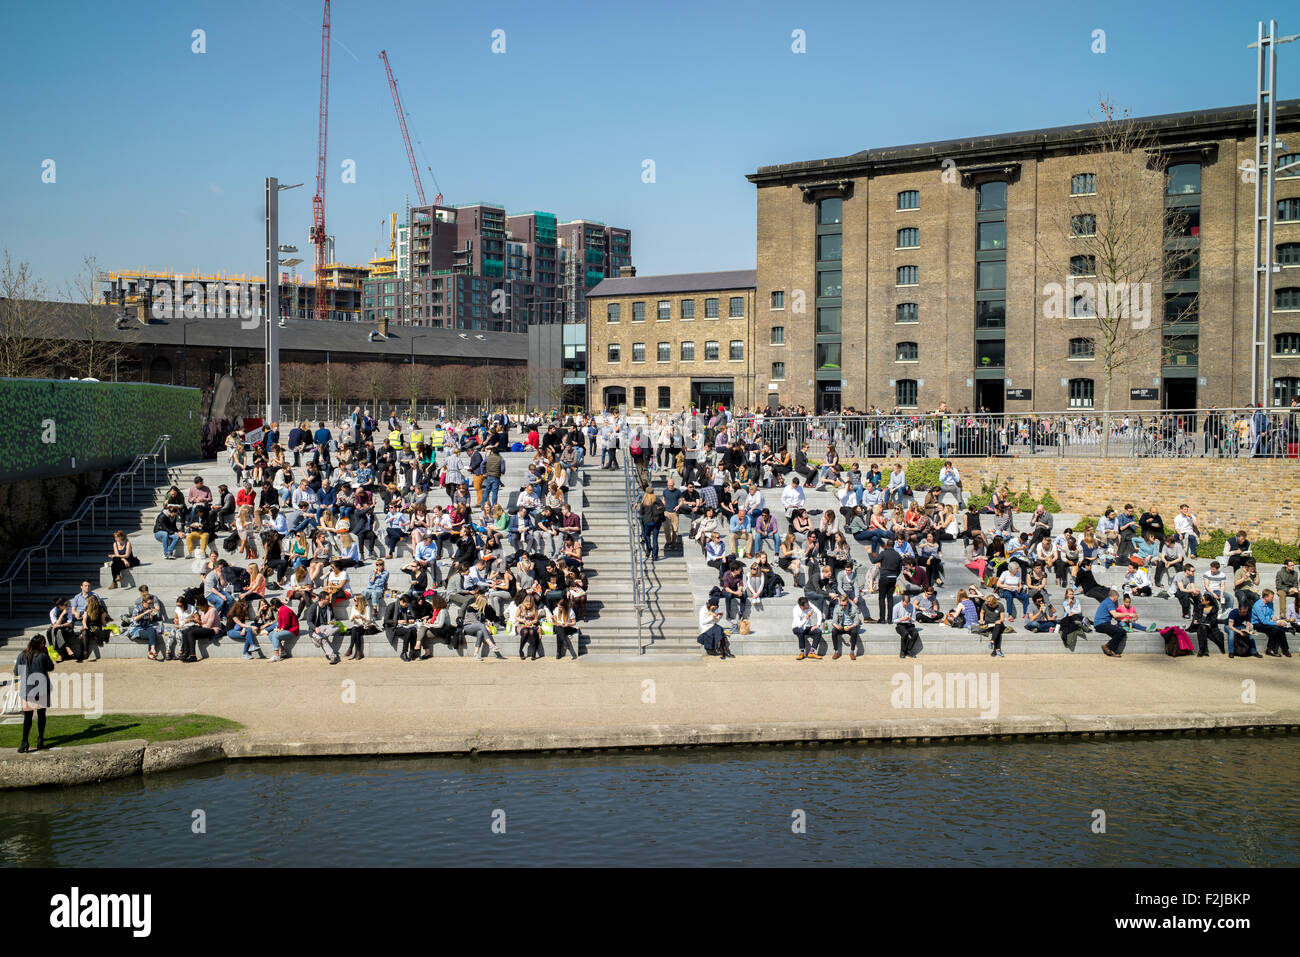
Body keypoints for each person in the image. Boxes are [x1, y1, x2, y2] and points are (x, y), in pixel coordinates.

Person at [12, 635, 55, 753]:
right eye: (44, 643)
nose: (45, 645)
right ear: (40, 644)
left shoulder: (22, 655)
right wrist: (46, 655)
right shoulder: (42, 656)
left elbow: (17, 672)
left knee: (27, 717)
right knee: (41, 715)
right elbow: (51, 667)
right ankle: (40, 739)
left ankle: (24, 741)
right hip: (41, 688)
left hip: (27, 689)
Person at [1252, 589, 1292, 657]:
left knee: (1281, 629)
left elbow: (1271, 612)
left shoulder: (1270, 603)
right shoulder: (1258, 605)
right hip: (1257, 624)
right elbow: (1263, 621)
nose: (1273, 599)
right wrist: (1276, 623)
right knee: (1275, 628)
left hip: (1267, 622)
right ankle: (1270, 649)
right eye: (1271, 597)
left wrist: (1272, 616)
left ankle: (1285, 650)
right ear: (1265, 597)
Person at [1093, 589, 1128, 658]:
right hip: (1101, 624)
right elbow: (1115, 615)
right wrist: (1128, 614)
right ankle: (1108, 647)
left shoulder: (1106, 601)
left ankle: (1111, 649)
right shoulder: (1109, 602)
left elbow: (1116, 617)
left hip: (1100, 624)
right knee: (1121, 631)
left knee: (1119, 632)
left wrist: (1125, 619)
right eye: (1117, 598)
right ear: (1115, 596)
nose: (1116, 600)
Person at [828, 592, 862, 660]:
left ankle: (852, 652)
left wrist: (850, 627)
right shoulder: (837, 607)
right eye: (842, 605)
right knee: (834, 630)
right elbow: (834, 621)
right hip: (841, 626)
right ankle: (836, 651)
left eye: (845, 605)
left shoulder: (853, 608)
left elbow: (857, 621)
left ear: (848, 602)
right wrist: (836, 626)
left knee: (854, 632)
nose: (843, 607)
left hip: (850, 626)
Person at [791, 596, 823, 660]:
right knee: (801, 631)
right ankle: (802, 653)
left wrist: (818, 625)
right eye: (806, 605)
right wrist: (807, 616)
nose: (808, 605)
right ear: (802, 606)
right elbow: (799, 625)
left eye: (808, 604)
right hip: (796, 627)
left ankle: (811, 652)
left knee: (818, 631)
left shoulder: (809, 604)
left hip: (807, 627)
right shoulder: (795, 610)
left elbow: (819, 612)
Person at [980, 593, 1009, 658]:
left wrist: (1000, 621)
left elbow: (1002, 618)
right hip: (988, 623)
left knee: (997, 627)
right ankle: (997, 649)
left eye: (991, 604)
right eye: (988, 604)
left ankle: (992, 642)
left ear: (995, 603)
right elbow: (982, 612)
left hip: (997, 623)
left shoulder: (1000, 606)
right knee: (997, 632)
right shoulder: (985, 605)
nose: (989, 605)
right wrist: (981, 619)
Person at [895, 592, 922, 659]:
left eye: (908, 603)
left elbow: (914, 619)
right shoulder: (896, 607)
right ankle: (902, 651)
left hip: (909, 624)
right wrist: (901, 619)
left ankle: (908, 650)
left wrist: (910, 619)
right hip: (900, 624)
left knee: (915, 633)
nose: (906, 605)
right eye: (905, 604)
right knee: (905, 633)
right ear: (902, 601)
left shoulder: (912, 606)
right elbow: (893, 620)